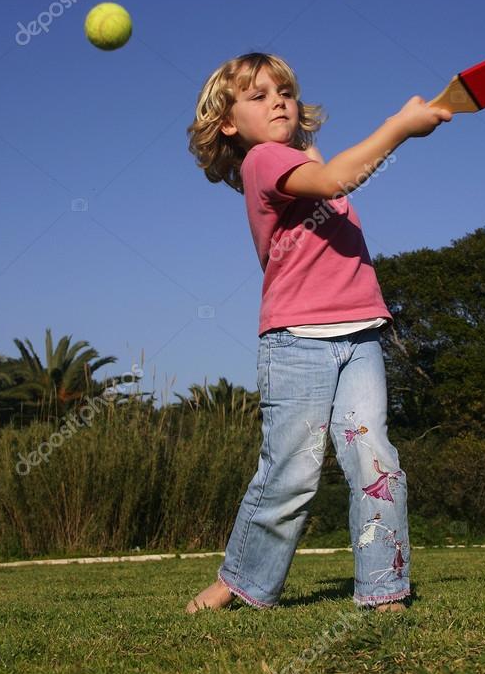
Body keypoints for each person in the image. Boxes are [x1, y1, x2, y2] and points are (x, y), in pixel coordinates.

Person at [184, 52, 452, 613]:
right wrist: (400, 126)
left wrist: (307, 131)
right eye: (258, 96)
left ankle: (384, 589)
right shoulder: (263, 162)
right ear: (228, 124)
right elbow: (336, 178)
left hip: (361, 334)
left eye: (285, 92)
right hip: (297, 341)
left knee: (376, 461)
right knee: (292, 471)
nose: (278, 101)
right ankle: (241, 580)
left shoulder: (301, 158)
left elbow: (324, 167)